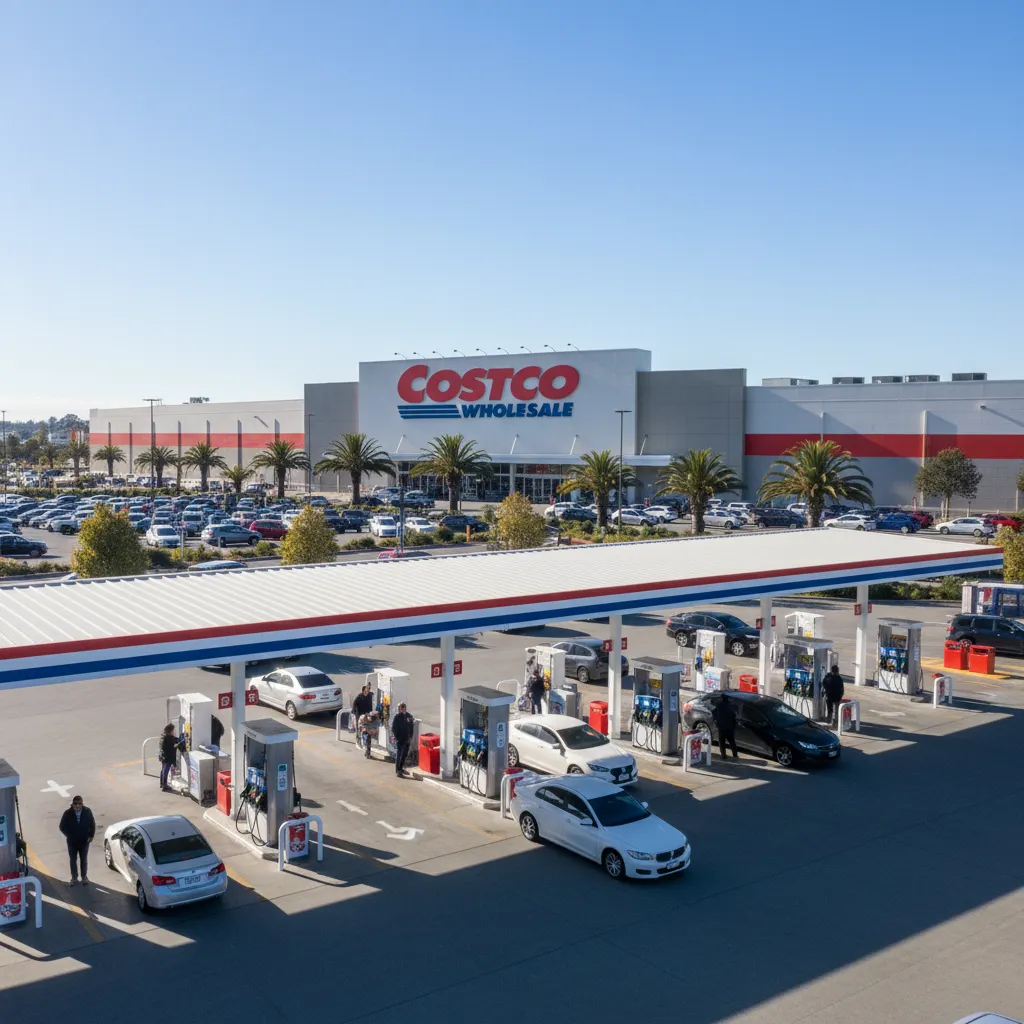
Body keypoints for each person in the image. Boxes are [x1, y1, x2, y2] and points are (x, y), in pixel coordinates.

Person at [59, 795, 95, 886]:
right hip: (72, 842)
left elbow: (92, 824)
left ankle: (84, 877)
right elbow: (61, 826)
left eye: (79, 803)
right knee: (73, 860)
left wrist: (91, 835)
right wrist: (69, 834)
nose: (78, 806)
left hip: (84, 841)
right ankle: (74, 878)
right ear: (73, 804)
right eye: (75, 804)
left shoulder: (87, 811)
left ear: (82, 804)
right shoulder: (67, 813)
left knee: (84, 860)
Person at [391, 702, 415, 777]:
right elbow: (394, 728)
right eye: (399, 708)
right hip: (400, 739)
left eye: (401, 708)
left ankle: (401, 768)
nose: (399, 709)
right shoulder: (397, 717)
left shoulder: (409, 716)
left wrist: (410, 736)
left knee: (404, 755)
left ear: (404, 708)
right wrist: (397, 737)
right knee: (399, 754)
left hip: (407, 739)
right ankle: (398, 770)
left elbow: (411, 726)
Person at [712, 694, 738, 759]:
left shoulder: (719, 705)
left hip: (721, 726)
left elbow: (713, 713)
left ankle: (723, 755)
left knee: (722, 742)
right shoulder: (731, 706)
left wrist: (716, 721)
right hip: (729, 727)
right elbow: (734, 716)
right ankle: (735, 755)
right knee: (732, 742)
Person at [158, 723, 181, 792]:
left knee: (163, 770)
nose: (174, 731)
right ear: (171, 730)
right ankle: (164, 786)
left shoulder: (163, 735)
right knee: (165, 771)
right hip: (167, 757)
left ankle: (162, 783)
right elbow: (171, 747)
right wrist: (176, 745)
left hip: (163, 756)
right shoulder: (168, 737)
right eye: (173, 730)